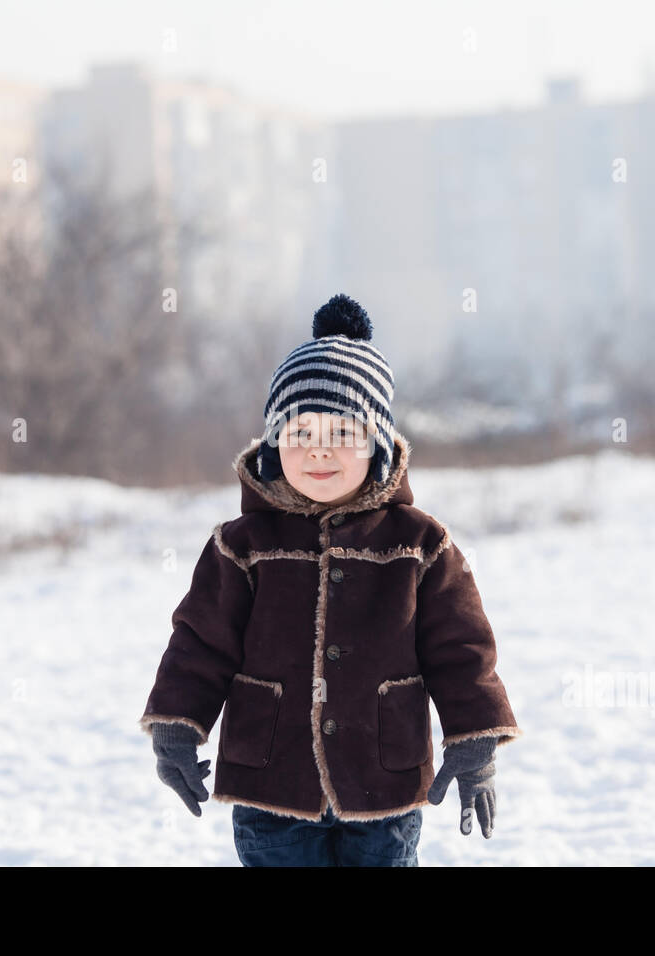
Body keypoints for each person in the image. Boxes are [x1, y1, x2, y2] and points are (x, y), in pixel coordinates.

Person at [139, 292, 522, 866]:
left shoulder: (420, 545)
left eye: (342, 434)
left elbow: (461, 649)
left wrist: (475, 741)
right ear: (273, 446)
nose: (319, 452)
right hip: (272, 782)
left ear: (377, 446)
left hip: (383, 782)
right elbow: (200, 643)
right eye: (300, 434)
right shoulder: (242, 546)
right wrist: (177, 725)